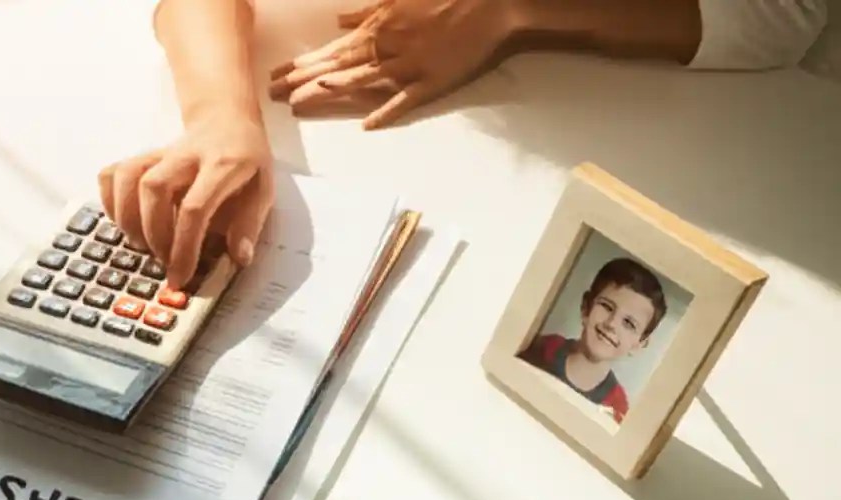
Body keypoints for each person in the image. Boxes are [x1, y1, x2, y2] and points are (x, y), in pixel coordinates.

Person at [97, 0, 830, 290]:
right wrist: (222, 117)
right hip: (418, 154)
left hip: (671, 148)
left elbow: (781, 17)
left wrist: (512, 12)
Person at [520, 257, 668, 423]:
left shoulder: (617, 409)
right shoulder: (540, 348)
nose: (611, 324)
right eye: (607, 307)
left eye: (628, 323)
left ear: (639, 344)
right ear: (586, 306)